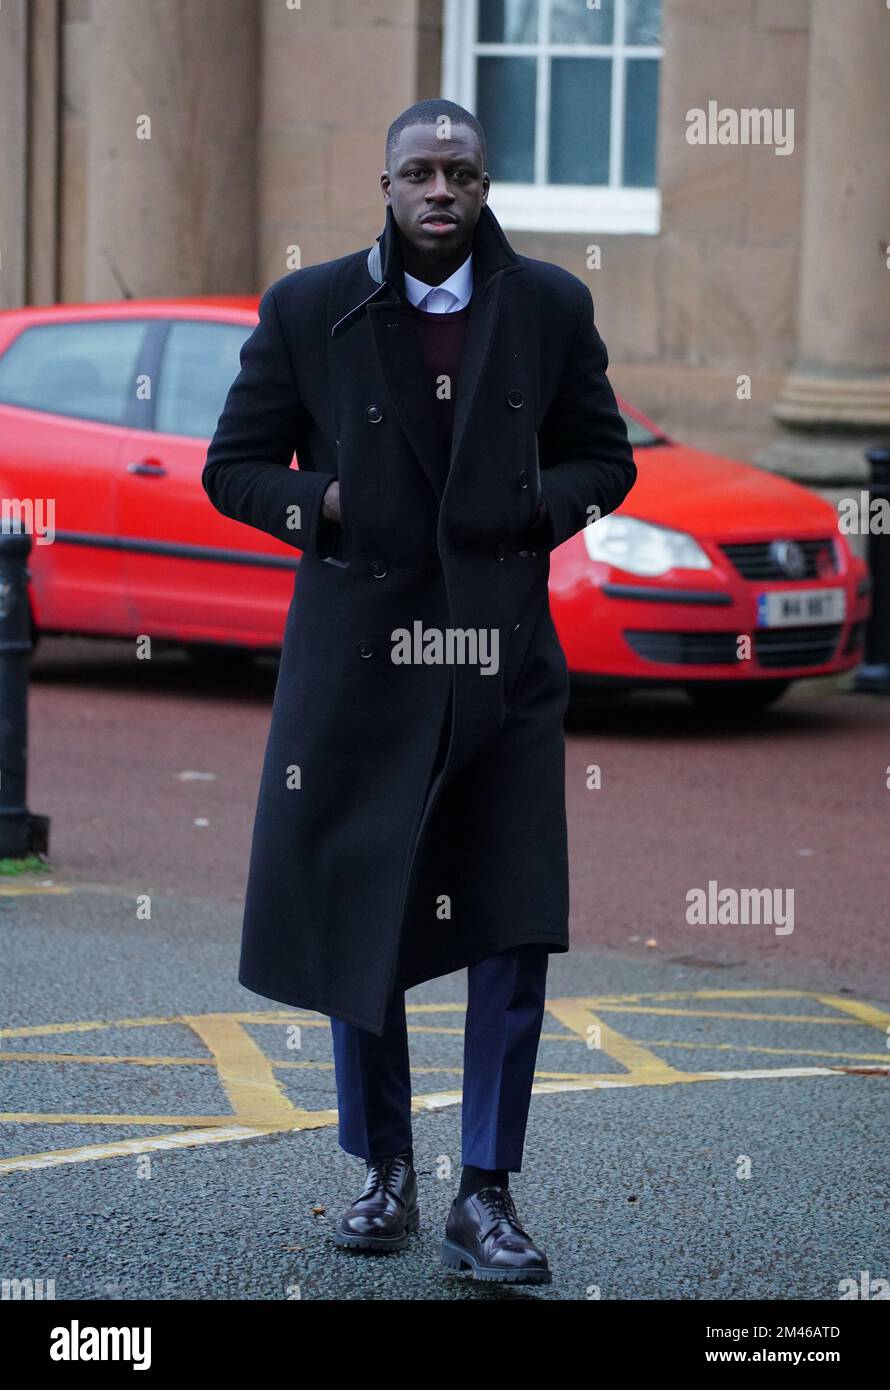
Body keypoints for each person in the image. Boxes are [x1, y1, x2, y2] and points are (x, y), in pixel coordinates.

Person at [202, 99, 636, 1284]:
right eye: (419, 171)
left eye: (460, 172)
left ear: (484, 186)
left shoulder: (547, 306)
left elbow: (607, 459)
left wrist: (537, 508)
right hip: (358, 662)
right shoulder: (307, 308)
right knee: (363, 911)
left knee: (511, 918)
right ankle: (383, 1170)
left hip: (502, 657)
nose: (439, 190)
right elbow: (232, 469)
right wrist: (330, 503)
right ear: (385, 185)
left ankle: (483, 1192)